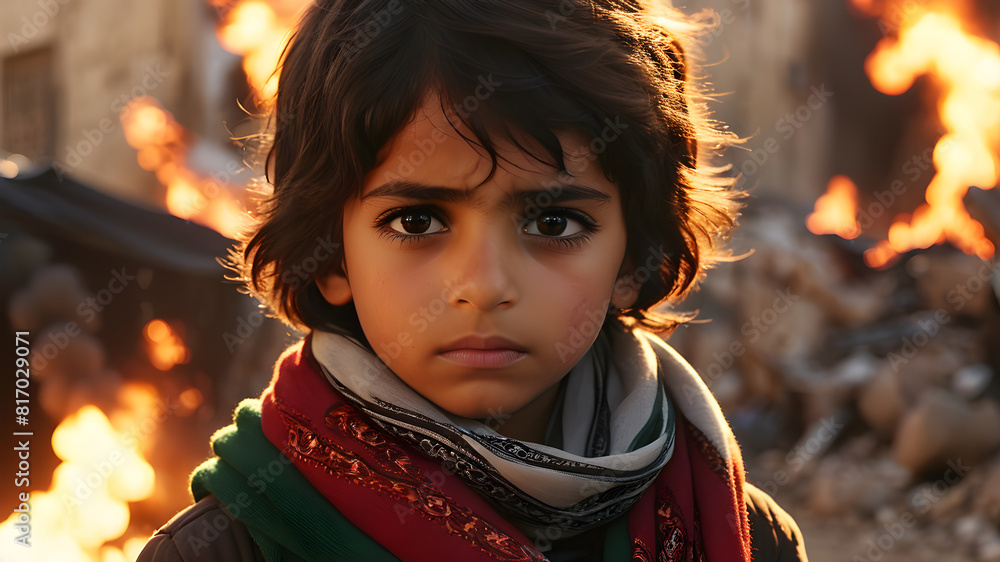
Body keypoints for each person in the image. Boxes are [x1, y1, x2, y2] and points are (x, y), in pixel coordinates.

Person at [139, 0, 809, 560]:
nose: (483, 285)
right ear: (331, 256)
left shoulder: (740, 534)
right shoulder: (230, 548)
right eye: (418, 220)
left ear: (633, 263)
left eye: (552, 224)